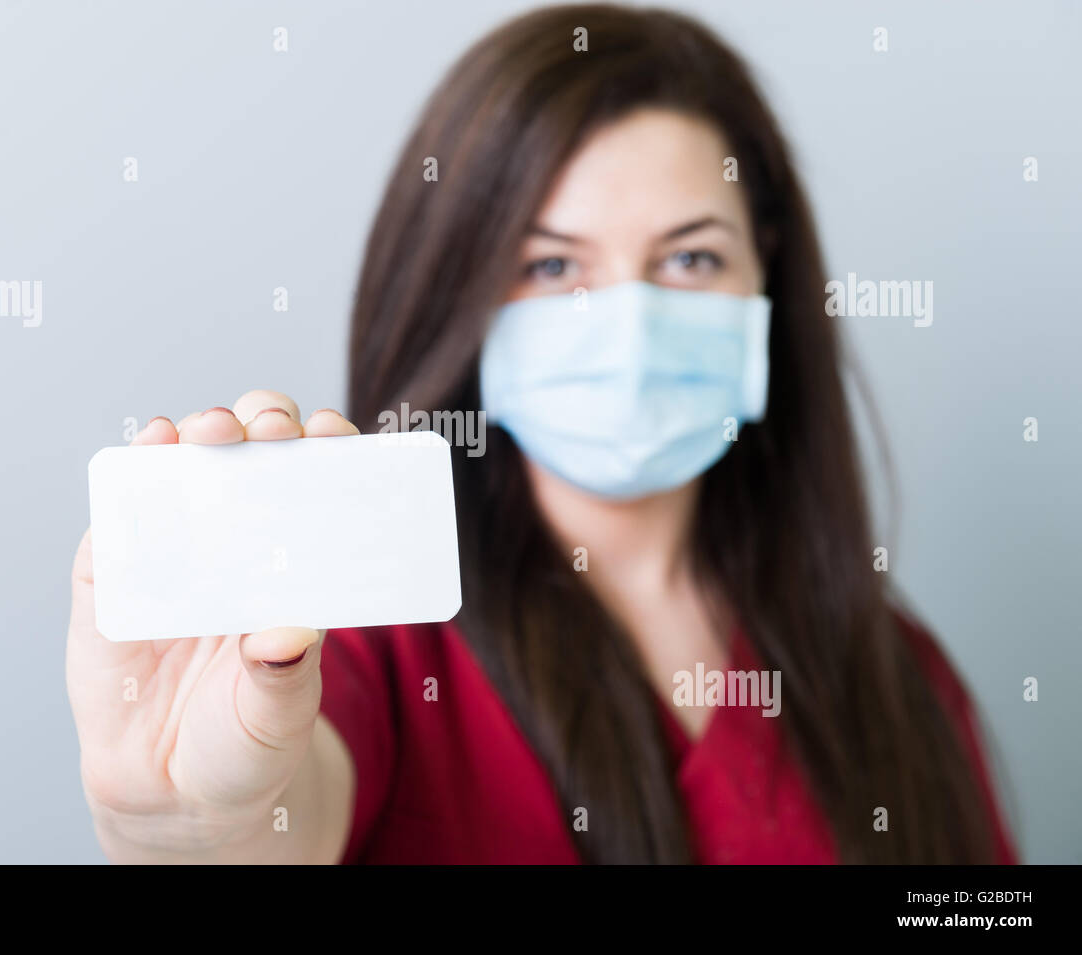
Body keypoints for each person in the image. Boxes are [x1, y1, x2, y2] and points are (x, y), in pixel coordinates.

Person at [65, 4, 1017, 864]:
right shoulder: (368, 646)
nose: (629, 320)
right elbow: (279, 816)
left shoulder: (898, 678)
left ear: (763, 280)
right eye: (554, 265)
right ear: (462, 298)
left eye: (691, 255)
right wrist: (187, 828)